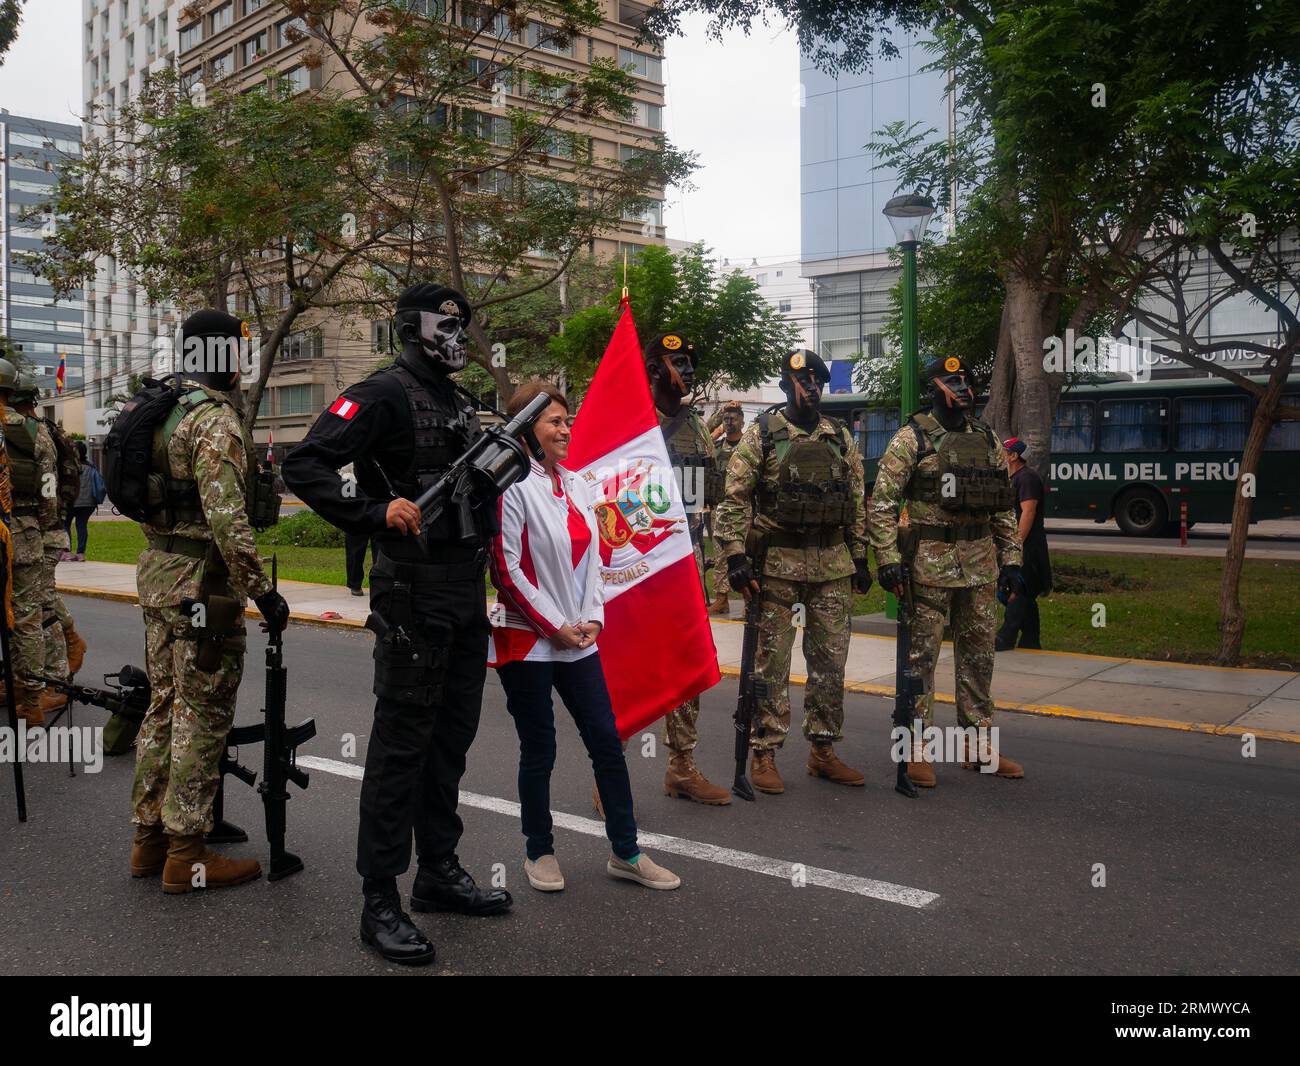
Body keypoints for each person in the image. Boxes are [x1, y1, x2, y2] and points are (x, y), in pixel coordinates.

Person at [283, 282, 512, 967]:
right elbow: (306, 463)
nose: (458, 334)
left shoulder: (458, 401)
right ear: (414, 326)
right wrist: (374, 511)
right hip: (413, 590)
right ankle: (378, 900)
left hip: (464, 592)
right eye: (447, 322)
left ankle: (438, 872)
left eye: (464, 324)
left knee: (450, 741)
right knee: (400, 749)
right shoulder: (382, 393)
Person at [488, 379, 680, 893]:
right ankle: (539, 851)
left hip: (579, 638)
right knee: (540, 747)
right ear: (527, 428)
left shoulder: (577, 484)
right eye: (554, 421)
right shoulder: (509, 486)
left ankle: (626, 852)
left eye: (566, 420)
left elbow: (597, 561)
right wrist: (556, 627)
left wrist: (593, 618)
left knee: (606, 740)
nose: (565, 429)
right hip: (527, 641)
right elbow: (506, 572)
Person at [130, 309, 289, 893]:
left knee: (163, 708)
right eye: (239, 352)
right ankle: (188, 853)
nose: (243, 364)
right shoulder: (215, 421)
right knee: (203, 716)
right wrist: (263, 593)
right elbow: (229, 521)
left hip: (159, 576)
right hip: (204, 587)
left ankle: (148, 842)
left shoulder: (162, 411)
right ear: (223, 356)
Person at [715, 349, 872, 794]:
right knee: (772, 664)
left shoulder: (839, 436)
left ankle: (823, 751)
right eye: (804, 382)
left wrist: (860, 557)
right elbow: (735, 500)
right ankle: (765, 751)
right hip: (777, 567)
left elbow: (856, 501)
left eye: (818, 382)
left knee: (830, 663)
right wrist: (734, 557)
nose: (813, 389)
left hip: (832, 567)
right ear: (786, 385)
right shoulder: (761, 435)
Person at [867, 355, 1025, 786]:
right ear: (934, 388)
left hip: (979, 567)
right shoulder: (911, 439)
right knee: (921, 662)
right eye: (953, 380)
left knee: (979, 659)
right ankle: (915, 748)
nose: (964, 388)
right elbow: (880, 505)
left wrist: (1011, 561)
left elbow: (1003, 506)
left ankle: (978, 745)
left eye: (967, 379)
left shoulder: (987, 439)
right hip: (928, 567)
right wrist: (887, 560)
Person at [643, 332, 730, 806]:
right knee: (629, 669)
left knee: (687, 664)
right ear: (656, 370)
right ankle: (606, 771)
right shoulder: (630, 422)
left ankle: (681, 767)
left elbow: (712, 498)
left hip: (686, 566)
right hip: (634, 570)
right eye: (680, 362)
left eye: (692, 363)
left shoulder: (697, 428)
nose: (690, 371)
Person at [2, 377, 68, 724]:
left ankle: (29, 682)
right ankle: (31, 692)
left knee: (25, 612)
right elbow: (49, 490)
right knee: (31, 613)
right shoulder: (35, 433)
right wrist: (45, 527)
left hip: (15, 528)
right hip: (28, 532)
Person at [15, 386, 89, 678]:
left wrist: (45, 527)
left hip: (44, 530)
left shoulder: (36, 434)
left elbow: (48, 487)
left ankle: (59, 669)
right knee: (38, 599)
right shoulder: (43, 432)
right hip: (47, 528)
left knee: (39, 600)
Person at [996, 438, 1052, 650]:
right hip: (1017, 545)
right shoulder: (1012, 477)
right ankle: (1030, 640)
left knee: (1018, 590)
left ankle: (1005, 637)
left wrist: (1015, 544)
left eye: (1005, 451)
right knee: (1024, 593)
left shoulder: (1027, 478)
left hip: (1028, 547)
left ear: (1014, 456)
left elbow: (1028, 512)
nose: (1001, 454)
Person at [707, 401, 745, 616]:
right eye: (727, 418)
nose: (730, 421)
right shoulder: (718, 447)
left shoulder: (749, 446)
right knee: (721, 553)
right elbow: (705, 433)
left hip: (745, 508)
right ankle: (722, 599)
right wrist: (719, 413)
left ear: (742, 421)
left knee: (747, 553)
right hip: (720, 508)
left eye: (733, 418)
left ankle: (751, 602)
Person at [64, 439, 105, 562]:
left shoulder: (68, 466)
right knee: (81, 526)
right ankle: (81, 553)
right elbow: (99, 485)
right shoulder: (91, 467)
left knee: (65, 524)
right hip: (88, 503)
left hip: (71, 501)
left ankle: (67, 551)